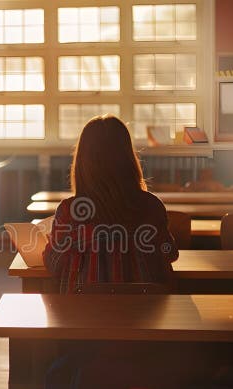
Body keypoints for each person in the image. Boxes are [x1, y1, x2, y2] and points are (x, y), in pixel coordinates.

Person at [43, 114, 179, 293]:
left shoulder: (69, 211)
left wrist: (50, 245)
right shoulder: (151, 206)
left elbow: (54, 265)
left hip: (83, 309)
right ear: (128, 159)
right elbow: (170, 253)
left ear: (83, 162)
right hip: (143, 308)